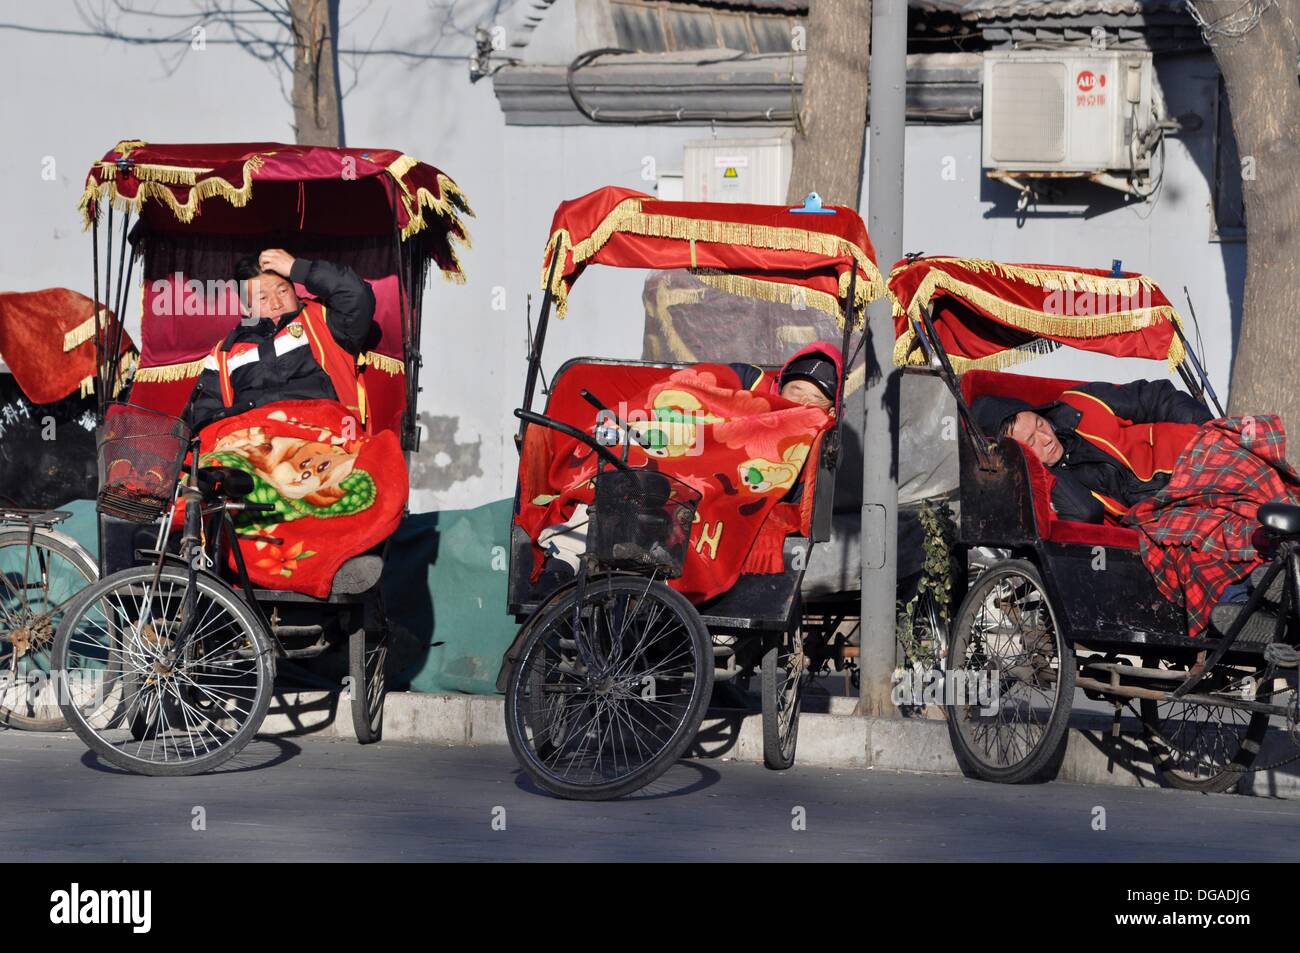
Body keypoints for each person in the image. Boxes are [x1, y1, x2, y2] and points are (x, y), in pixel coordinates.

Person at [971, 379, 1212, 525]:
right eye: (1031, 441)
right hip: (1164, 512)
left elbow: (1155, 397)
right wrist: (1039, 470)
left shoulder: (1080, 402)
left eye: (1040, 424)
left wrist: (1206, 429)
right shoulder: (1047, 492)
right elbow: (1085, 513)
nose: (1046, 439)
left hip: (1194, 453)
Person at [186, 248, 375, 433]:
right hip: (252, 441)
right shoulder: (225, 352)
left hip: (323, 432)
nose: (276, 304)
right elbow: (203, 412)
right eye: (263, 298)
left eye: (283, 291)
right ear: (247, 307)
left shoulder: (324, 320)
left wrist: (297, 268)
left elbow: (357, 295)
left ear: (294, 289)